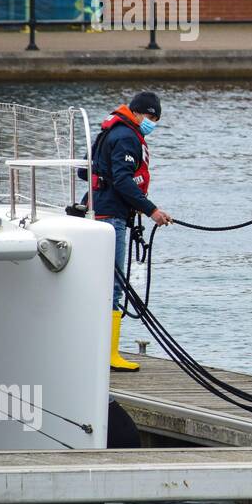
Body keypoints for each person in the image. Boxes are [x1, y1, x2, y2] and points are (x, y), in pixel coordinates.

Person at [84, 91, 173, 372]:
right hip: (111, 217)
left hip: (97, 210)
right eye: (151, 117)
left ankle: (94, 350)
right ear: (139, 113)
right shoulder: (126, 137)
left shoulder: (110, 130)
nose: (152, 124)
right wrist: (152, 210)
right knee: (114, 284)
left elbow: (85, 170)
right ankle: (110, 355)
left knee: (100, 283)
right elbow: (123, 180)